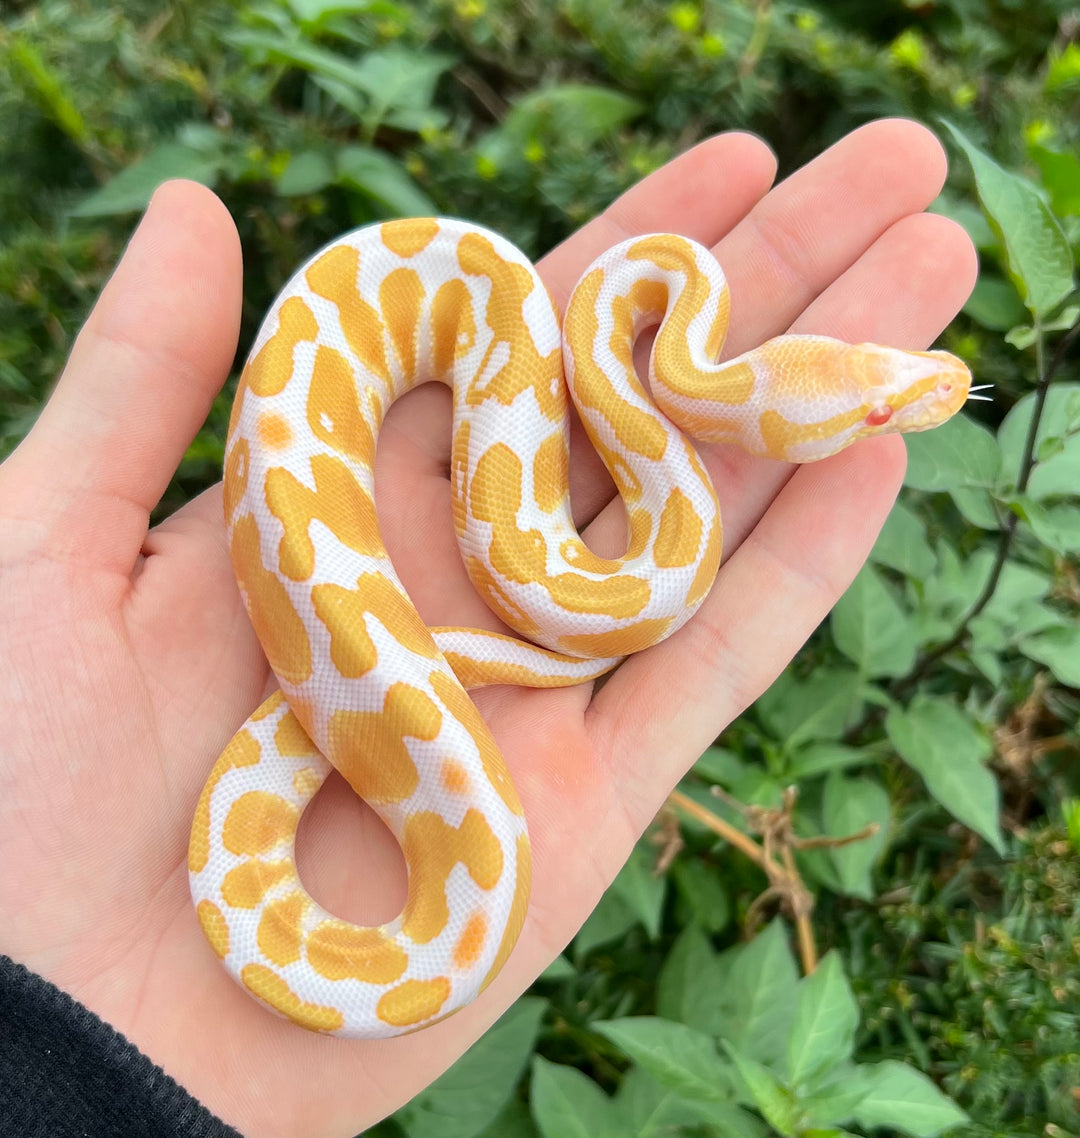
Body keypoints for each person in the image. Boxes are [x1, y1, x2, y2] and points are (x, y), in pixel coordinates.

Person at [0, 119, 976, 1138]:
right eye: (873, 402)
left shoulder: (633, 317)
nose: (906, 398)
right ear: (784, 381)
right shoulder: (605, 341)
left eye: (872, 401)